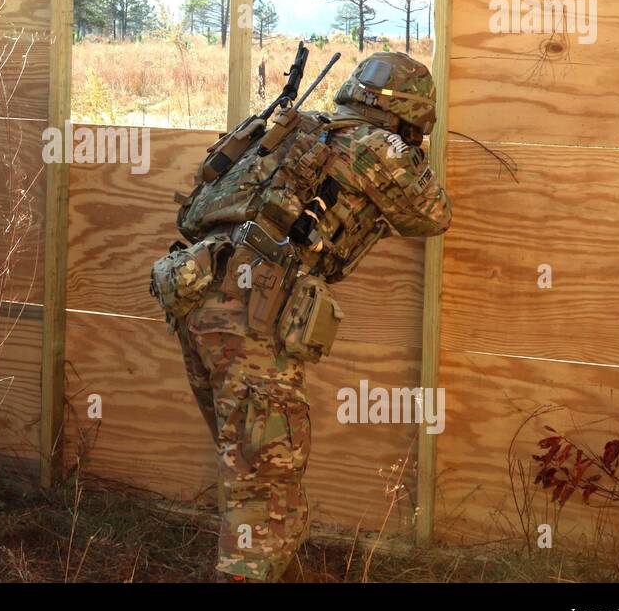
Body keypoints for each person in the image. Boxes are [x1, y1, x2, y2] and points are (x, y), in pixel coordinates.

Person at [152, 51, 452, 582]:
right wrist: (412, 151)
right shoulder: (376, 146)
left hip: (195, 291)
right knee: (263, 476)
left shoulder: (300, 128)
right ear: (412, 113)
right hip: (251, 314)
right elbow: (432, 214)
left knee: (255, 461)